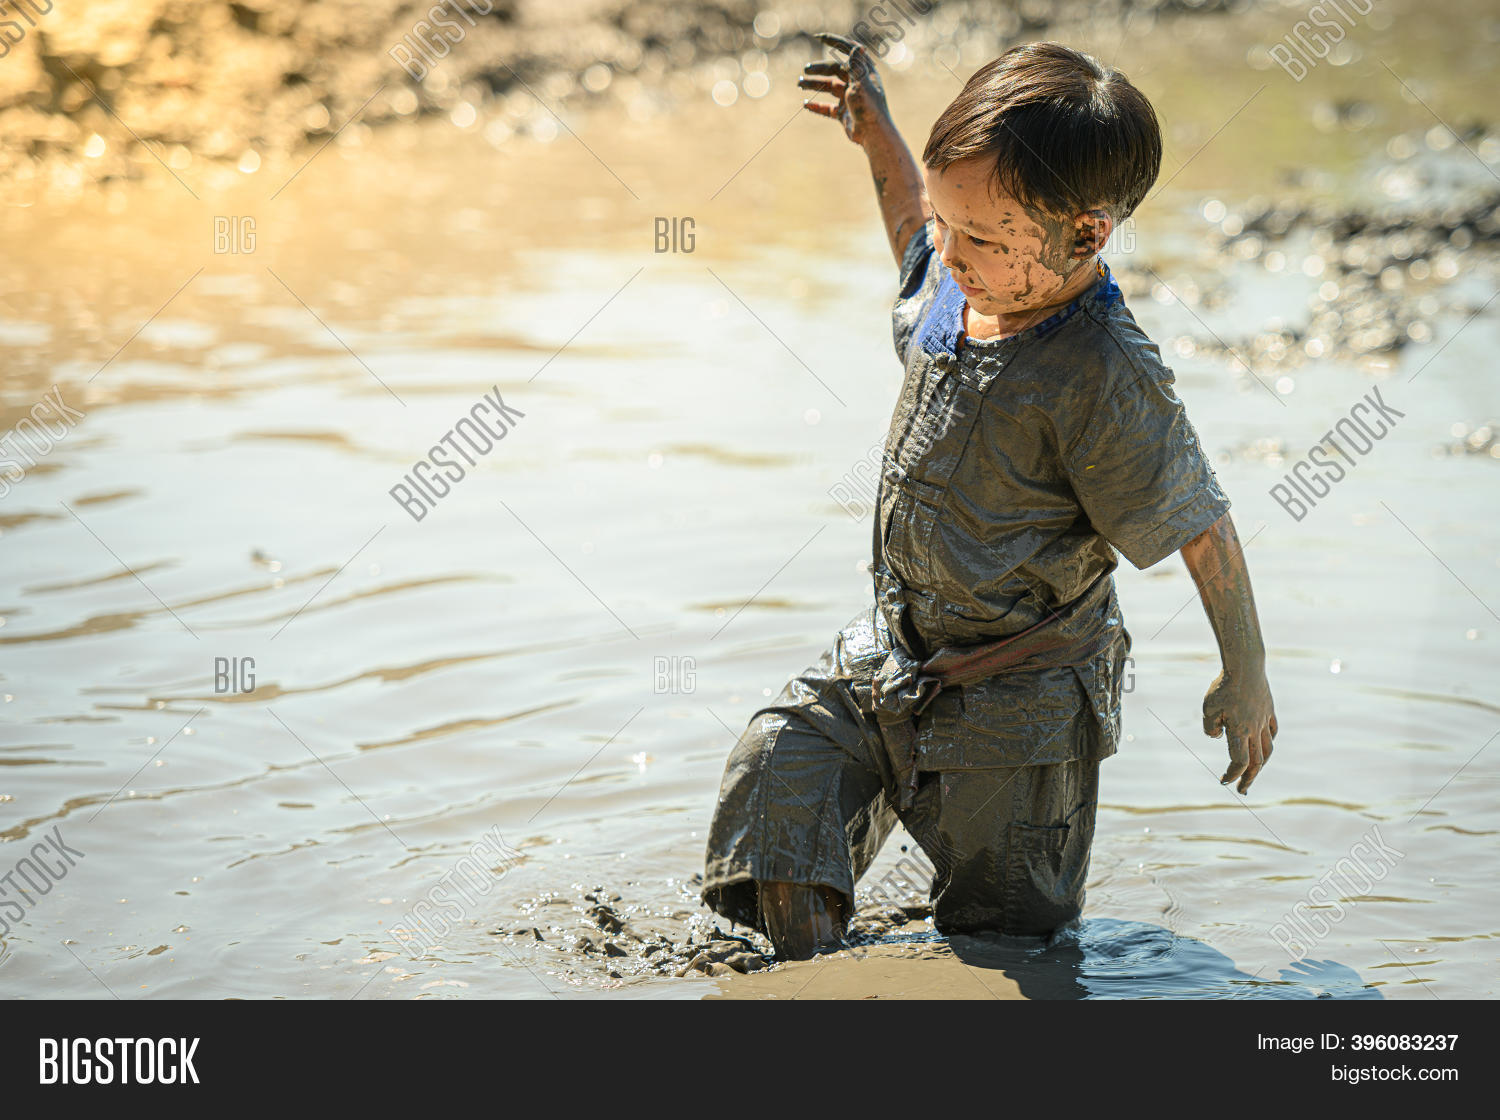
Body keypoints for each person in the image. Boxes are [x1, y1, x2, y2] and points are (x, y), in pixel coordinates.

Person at [703, 37, 1278, 959]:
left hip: (1024, 696)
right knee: (780, 772)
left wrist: (1244, 672)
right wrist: (877, 135)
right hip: (896, 655)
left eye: (983, 238)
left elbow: (1199, 519)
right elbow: (909, 238)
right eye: (947, 222)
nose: (951, 254)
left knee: (1006, 942)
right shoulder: (955, 289)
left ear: (1085, 233)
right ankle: (814, 981)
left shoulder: (1101, 371)